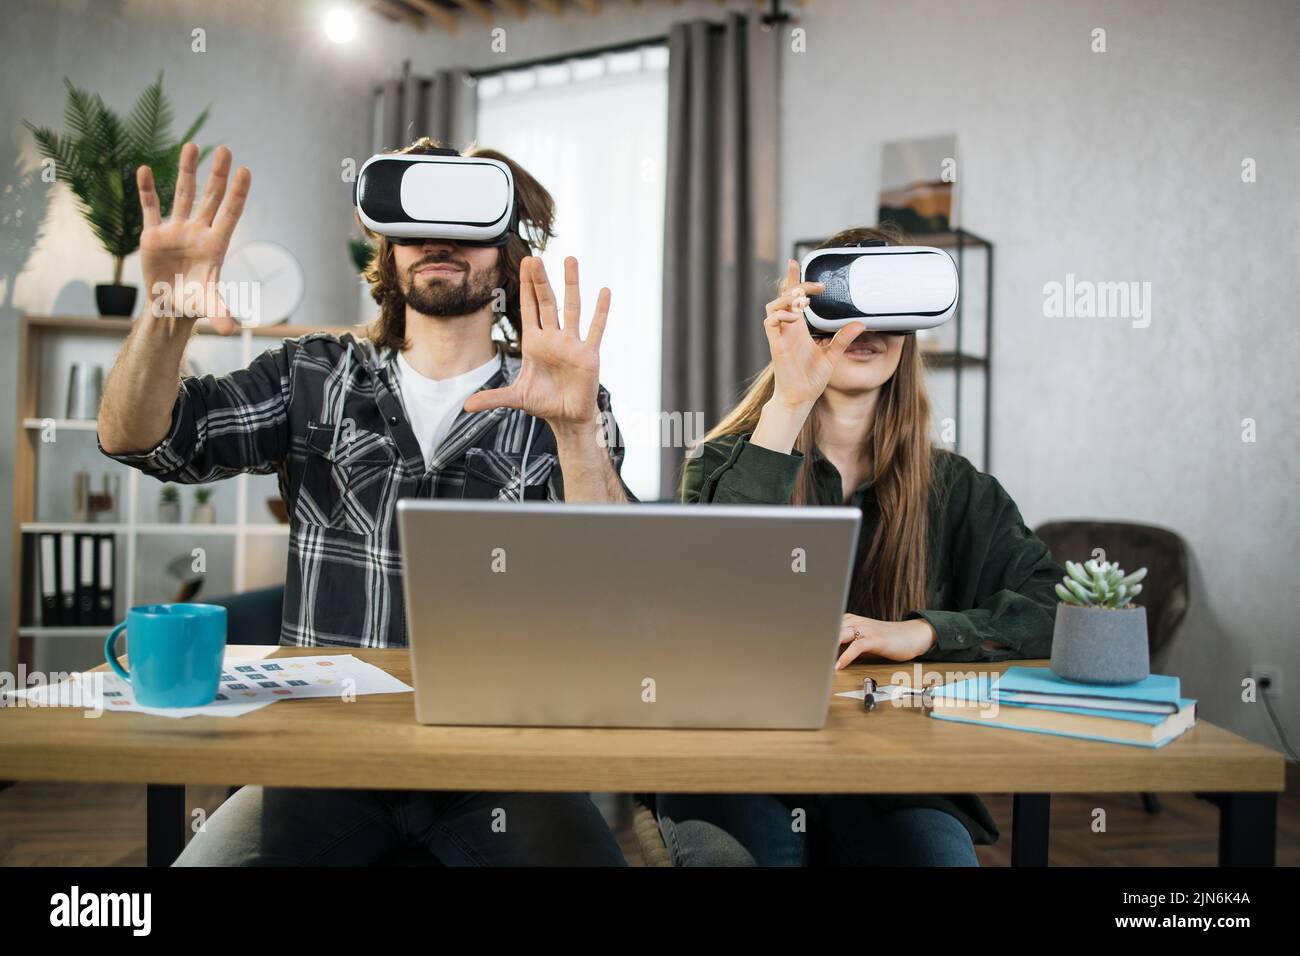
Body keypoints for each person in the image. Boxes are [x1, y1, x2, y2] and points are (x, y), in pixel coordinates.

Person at [97, 137, 628, 865]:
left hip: (504, 760)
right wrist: (165, 313)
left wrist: (575, 434)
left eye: (466, 217)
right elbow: (138, 438)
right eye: (415, 216)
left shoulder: (567, 399)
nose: (439, 240)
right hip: (326, 755)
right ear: (385, 248)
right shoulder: (311, 375)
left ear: (505, 249)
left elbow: (613, 579)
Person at [655, 226, 1064, 867]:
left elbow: (1058, 612)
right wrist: (790, 401)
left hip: (892, 771)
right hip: (736, 760)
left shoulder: (958, 490)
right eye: (846, 302)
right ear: (808, 315)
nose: (866, 326)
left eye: (890, 306)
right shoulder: (724, 463)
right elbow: (701, 604)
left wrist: (925, 633)